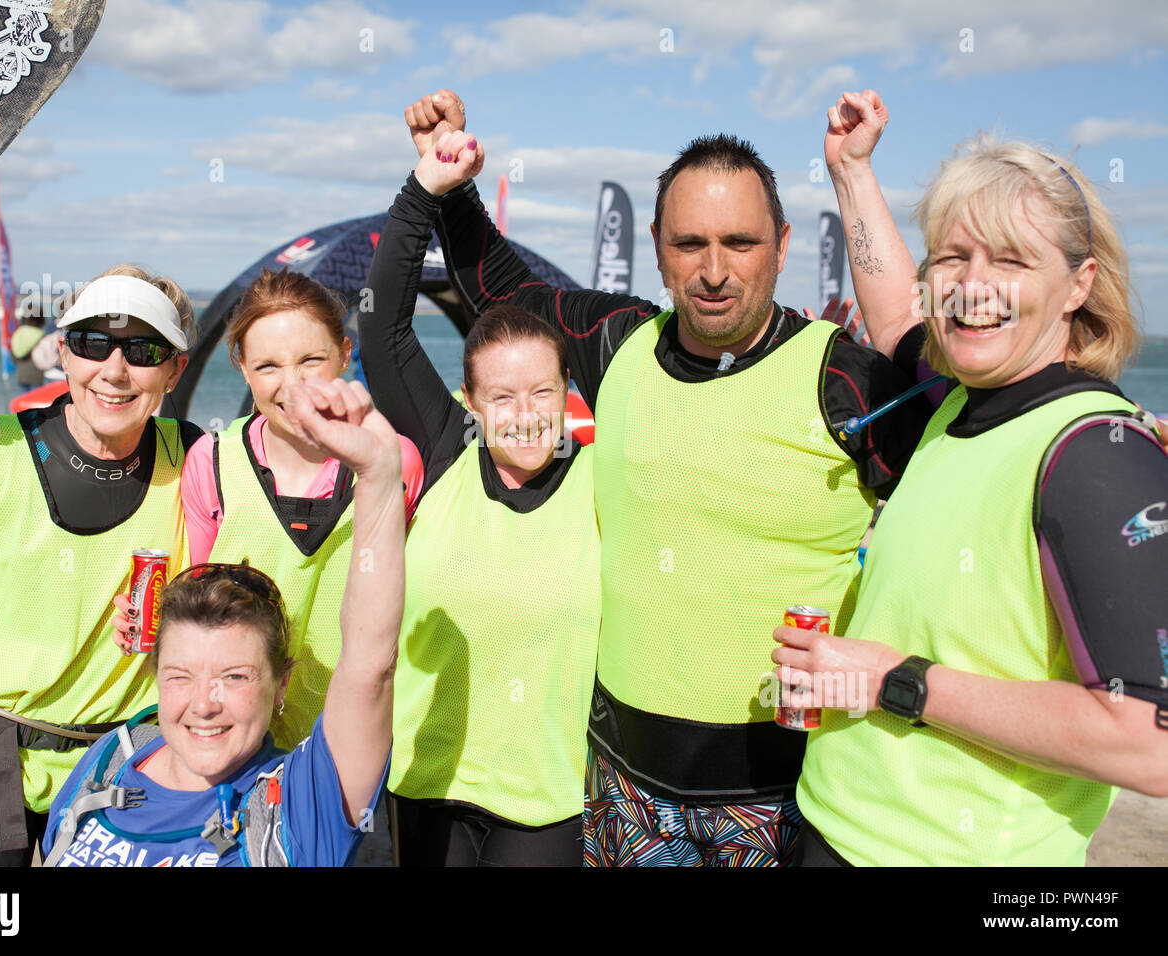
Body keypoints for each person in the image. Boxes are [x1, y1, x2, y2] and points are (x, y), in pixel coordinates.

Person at [403, 90, 933, 866]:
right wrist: (451, 181)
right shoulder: (621, 343)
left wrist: (854, 177)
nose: (714, 271)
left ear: (781, 245)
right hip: (622, 789)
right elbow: (505, 294)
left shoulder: (842, 382)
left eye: (740, 242)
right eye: (689, 243)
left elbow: (956, 436)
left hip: (785, 800)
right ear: (657, 246)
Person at [777, 95, 1168, 865]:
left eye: (1012, 260)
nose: (972, 287)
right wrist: (852, 173)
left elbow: (1149, 744)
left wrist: (898, 679)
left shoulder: (1095, 451)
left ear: (1079, 284)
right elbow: (893, 320)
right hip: (832, 832)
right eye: (952, 258)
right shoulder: (961, 397)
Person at [0, 264, 201, 866]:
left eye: (144, 349)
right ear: (64, 354)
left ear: (175, 369)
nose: (115, 370)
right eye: (92, 343)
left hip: (118, 768)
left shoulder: (199, 463)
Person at [358, 132, 600, 866]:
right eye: (502, 395)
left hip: (546, 805)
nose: (524, 413)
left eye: (541, 392)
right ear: (471, 399)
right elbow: (382, 327)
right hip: (427, 787)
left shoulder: (603, 478)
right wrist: (423, 191)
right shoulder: (448, 448)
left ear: (568, 394)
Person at [43, 376, 402, 867]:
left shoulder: (296, 806)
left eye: (234, 677)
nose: (204, 704)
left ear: (281, 687)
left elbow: (370, 667)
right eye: (180, 676)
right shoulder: (111, 760)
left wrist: (379, 473)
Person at [115, 270, 422, 751]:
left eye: (311, 360)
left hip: (350, 743)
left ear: (345, 354)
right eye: (268, 367)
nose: (293, 386)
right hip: (233, 739)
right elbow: (199, 605)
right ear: (241, 366)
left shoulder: (390, 459)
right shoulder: (213, 462)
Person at [11, 297, 46, 392]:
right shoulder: (41, 335)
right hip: (37, 376)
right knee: (36, 403)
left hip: (22, 375)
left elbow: (14, 356)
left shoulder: (18, 333)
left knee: (24, 402)